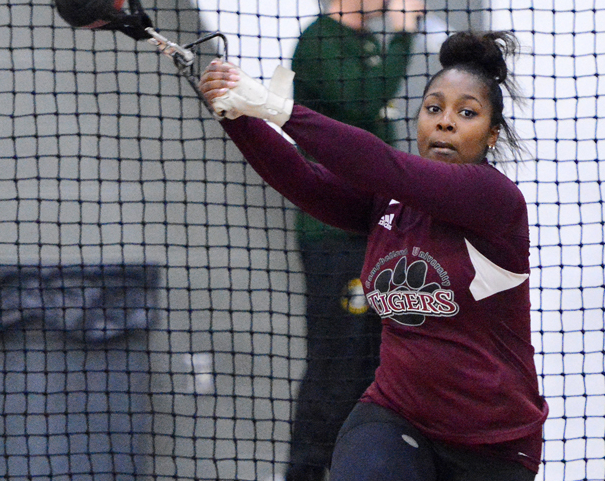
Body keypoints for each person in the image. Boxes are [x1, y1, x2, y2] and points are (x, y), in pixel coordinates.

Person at [199, 30, 549, 480]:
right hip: (397, 415)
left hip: (493, 443)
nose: (445, 122)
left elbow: (380, 163)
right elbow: (304, 180)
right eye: (433, 108)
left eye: (467, 113)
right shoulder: (390, 203)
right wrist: (237, 116)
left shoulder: (496, 201)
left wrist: (274, 107)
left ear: (492, 135)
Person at [284, 0, 424, 480]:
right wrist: (406, 35)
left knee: (374, 367)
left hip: (374, 233)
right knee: (335, 366)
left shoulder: (364, 41)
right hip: (332, 234)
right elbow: (365, 100)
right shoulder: (319, 43)